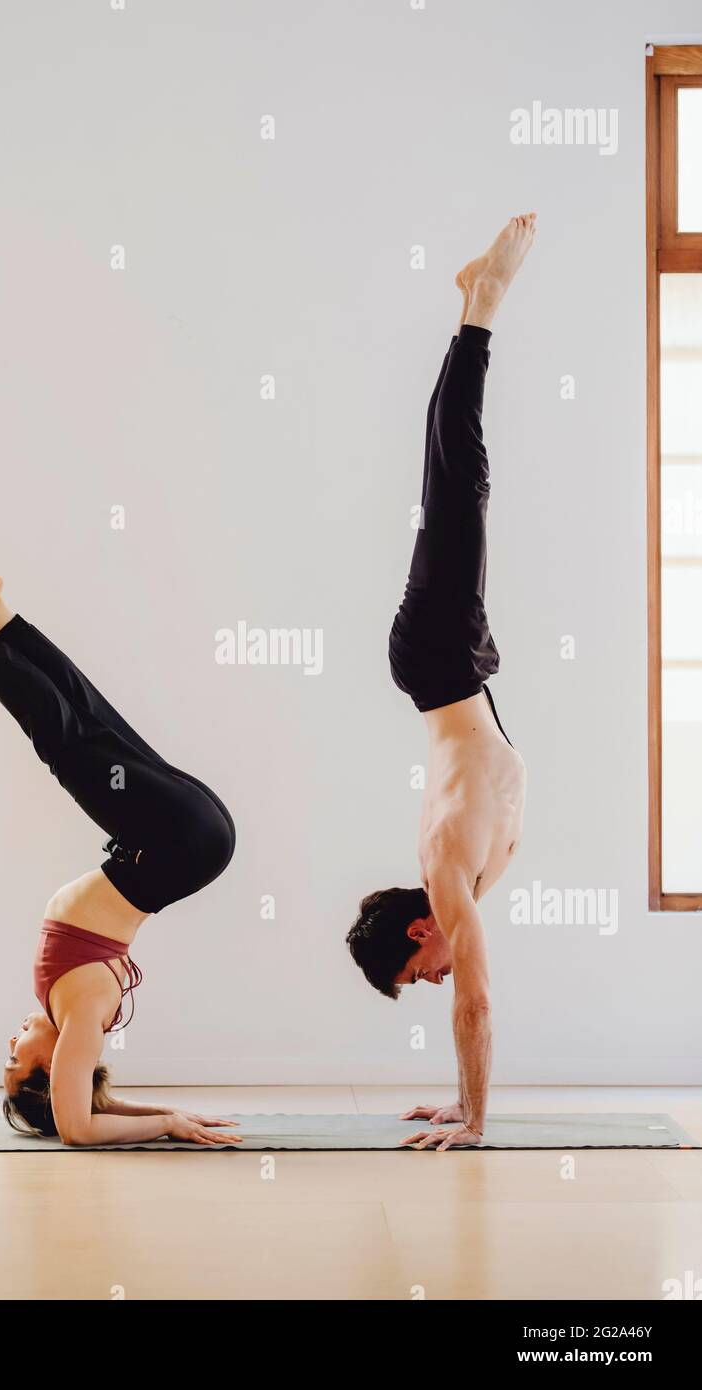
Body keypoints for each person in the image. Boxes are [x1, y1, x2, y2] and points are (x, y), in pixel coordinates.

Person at [0, 559, 241, 1147]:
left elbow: (97, 1103)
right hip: (176, 840)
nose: (9, 1046)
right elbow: (77, 1126)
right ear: (49, 1071)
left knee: (92, 720)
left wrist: (162, 1112)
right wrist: (169, 1125)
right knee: (63, 739)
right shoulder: (82, 1020)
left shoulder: (70, 1016)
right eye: (12, 1063)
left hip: (184, 834)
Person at [346, 215, 536, 1151]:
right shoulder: (448, 878)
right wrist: (460, 1106)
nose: (439, 983)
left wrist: (476, 1126)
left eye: (420, 975)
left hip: (439, 659)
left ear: (423, 935)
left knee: (461, 481)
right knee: (454, 485)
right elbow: (469, 1000)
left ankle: (480, 309)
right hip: (450, 667)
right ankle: (473, 306)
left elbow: (478, 1003)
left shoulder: (444, 872)